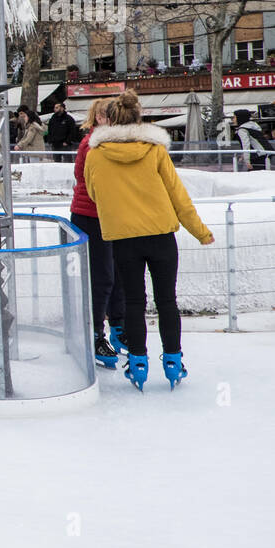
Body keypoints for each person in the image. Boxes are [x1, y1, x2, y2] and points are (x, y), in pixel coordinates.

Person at [83, 90, 214, 391]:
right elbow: (177, 195)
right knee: (167, 300)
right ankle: (173, 359)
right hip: (160, 236)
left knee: (133, 301)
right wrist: (200, 231)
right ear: (139, 118)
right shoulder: (155, 151)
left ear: (111, 121)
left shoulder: (96, 155)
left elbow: (92, 192)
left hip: (124, 239)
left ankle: (138, 360)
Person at [69, 98, 126, 369]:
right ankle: (95, 334)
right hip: (91, 217)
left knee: (118, 274)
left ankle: (118, 325)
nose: (108, 119)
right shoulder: (89, 144)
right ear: (96, 118)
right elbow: (84, 177)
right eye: (103, 115)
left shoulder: (119, 143)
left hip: (114, 217)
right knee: (101, 277)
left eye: (111, 115)